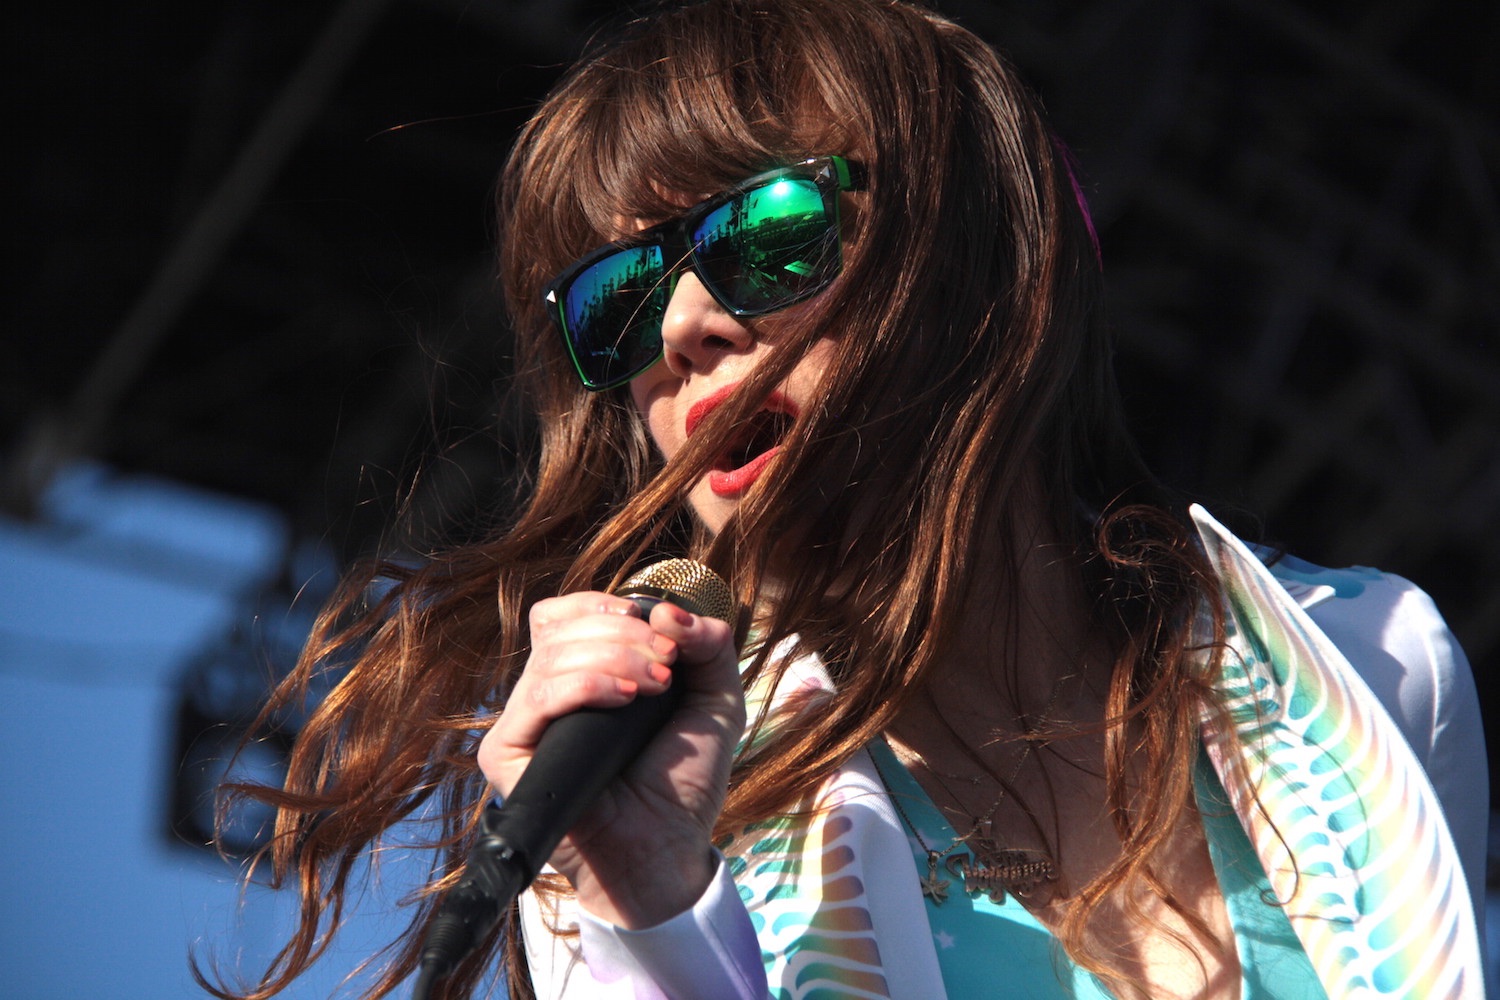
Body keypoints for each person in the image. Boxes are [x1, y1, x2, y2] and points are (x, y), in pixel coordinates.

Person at [205, 1, 1488, 998]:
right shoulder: (631, 848)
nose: (687, 329)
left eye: (767, 230)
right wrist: (652, 905)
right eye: (619, 305)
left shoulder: (1375, 664)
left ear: (987, 252)